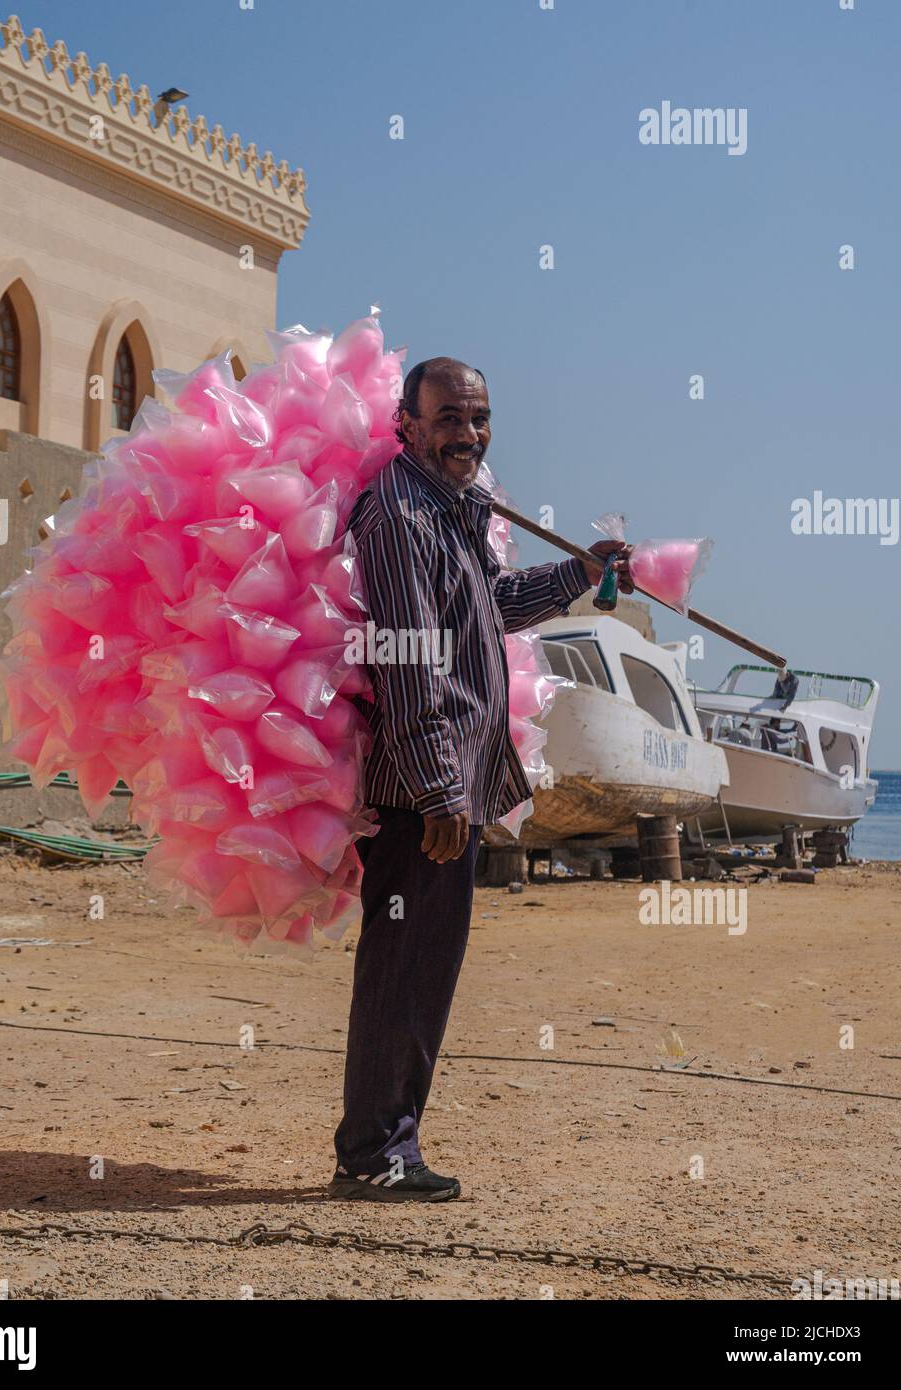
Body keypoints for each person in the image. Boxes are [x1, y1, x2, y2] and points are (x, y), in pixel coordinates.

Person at [329, 357, 632, 1202]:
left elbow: (489, 605)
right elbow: (408, 657)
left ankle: (386, 1142)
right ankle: (375, 1153)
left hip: (449, 781)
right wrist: (436, 789)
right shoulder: (398, 517)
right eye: (451, 419)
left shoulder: (453, 508)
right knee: (402, 971)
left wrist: (579, 572)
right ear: (408, 423)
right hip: (420, 792)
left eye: (480, 418)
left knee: (424, 969)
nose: (469, 434)